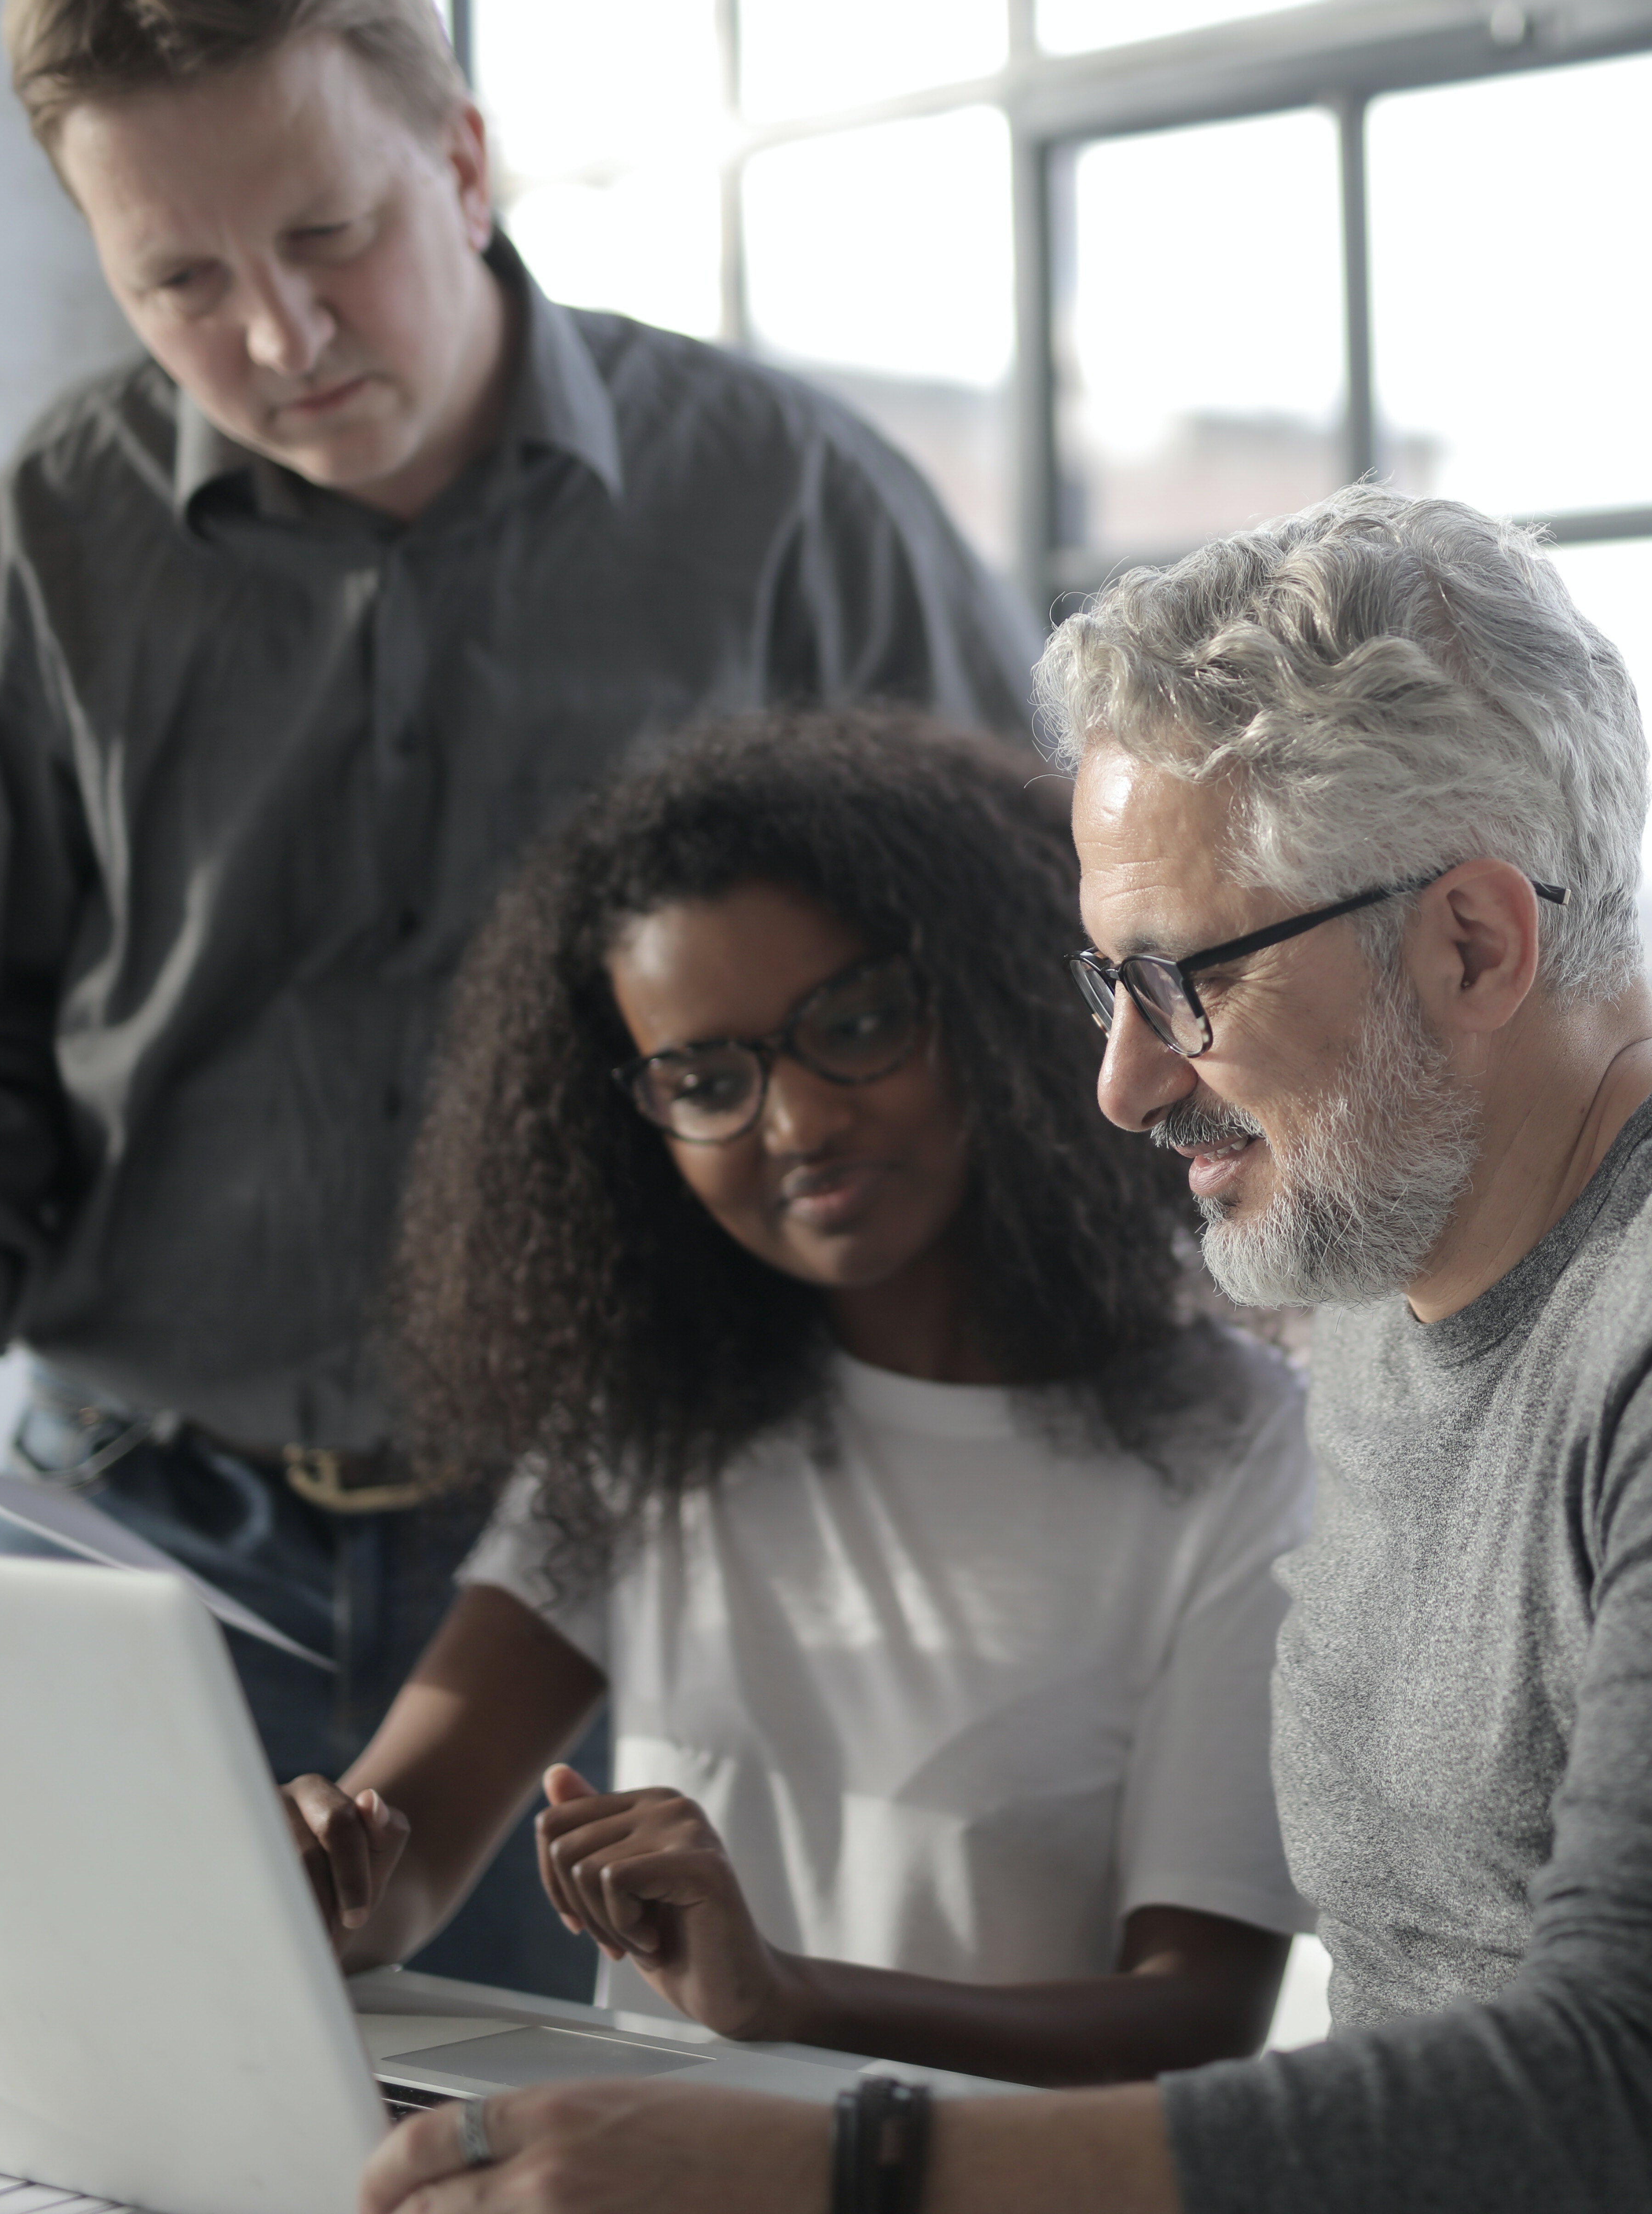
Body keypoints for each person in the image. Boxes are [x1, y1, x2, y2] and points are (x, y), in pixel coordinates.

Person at [358, 491, 1652, 2213]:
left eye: (1190, 980)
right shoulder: (1377, 1281)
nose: (1121, 1078)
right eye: (1105, 983)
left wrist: (841, 2169)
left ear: (1475, 941)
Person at [0, 0, 1034, 1997]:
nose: (278, 337)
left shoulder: (792, 504)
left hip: (643, 1551)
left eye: (329, 233)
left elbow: (1020, 1002)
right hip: (135, 1528)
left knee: (582, 2154)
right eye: (178, 280)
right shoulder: (59, 531)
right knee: (56, 2120)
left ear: (459, 154)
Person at [276, 710, 1309, 2084]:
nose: (799, 1122)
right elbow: (399, 1867)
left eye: (857, 1025)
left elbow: (1196, 2019)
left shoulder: (1239, 1449)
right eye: (706, 1079)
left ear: (993, 1002)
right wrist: (321, 1876)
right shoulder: (651, 1423)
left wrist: (786, 1996)